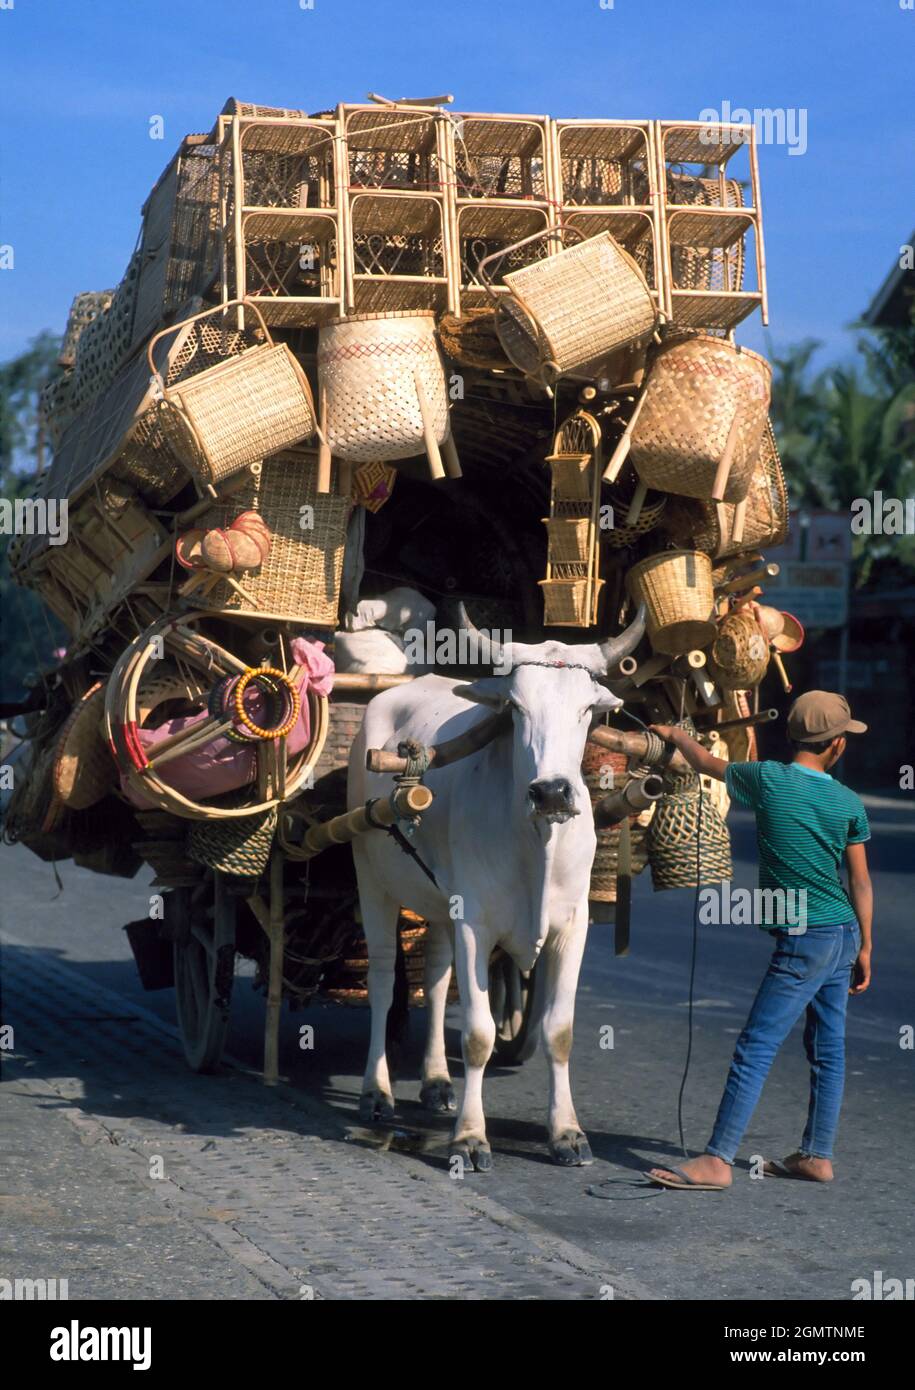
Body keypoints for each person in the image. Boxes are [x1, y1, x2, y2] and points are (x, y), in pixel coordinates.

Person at [645, 691, 873, 1191]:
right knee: (828, 1049)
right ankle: (817, 1155)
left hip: (804, 937)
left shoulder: (766, 778)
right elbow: (860, 883)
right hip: (842, 932)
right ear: (836, 745)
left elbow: (705, 761)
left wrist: (674, 734)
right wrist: (865, 947)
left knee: (756, 1045)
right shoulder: (848, 802)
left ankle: (718, 1159)